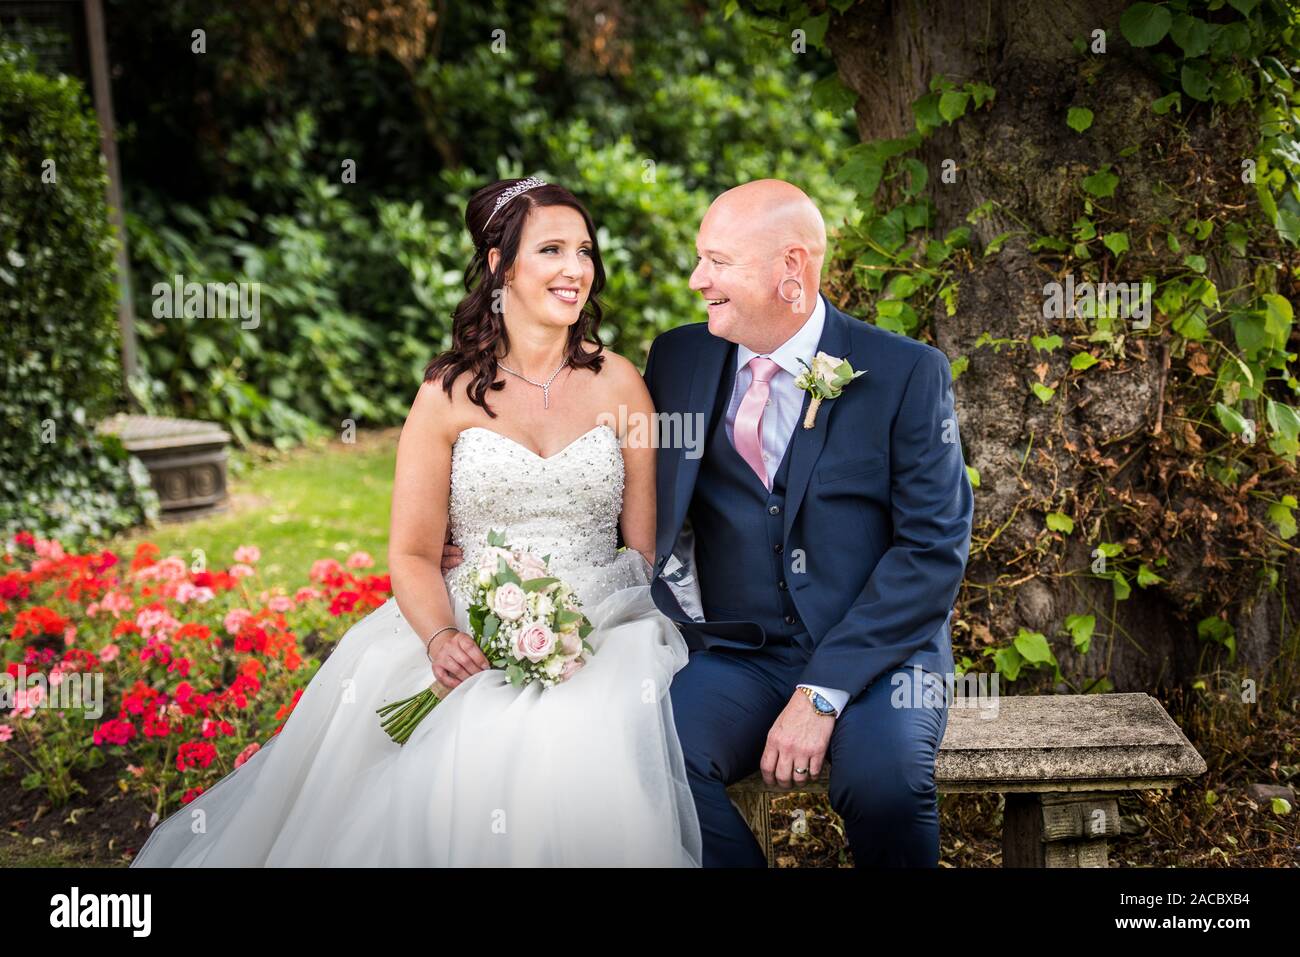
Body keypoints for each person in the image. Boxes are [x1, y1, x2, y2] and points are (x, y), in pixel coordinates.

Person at [129, 177, 703, 867]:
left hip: (603, 621)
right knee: (450, 758)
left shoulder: (620, 383)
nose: (575, 269)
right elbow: (410, 552)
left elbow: (641, 550)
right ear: (500, 265)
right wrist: (439, 637)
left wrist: (576, 627)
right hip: (465, 617)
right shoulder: (446, 395)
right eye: (551, 249)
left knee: (577, 745)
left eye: (583, 250)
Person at [643, 179, 974, 866]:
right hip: (744, 650)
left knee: (884, 783)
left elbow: (933, 548)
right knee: (654, 757)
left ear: (790, 268)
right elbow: (623, 480)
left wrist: (822, 693)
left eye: (717, 261)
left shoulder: (907, 373)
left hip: (884, 657)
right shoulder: (679, 359)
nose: (696, 279)